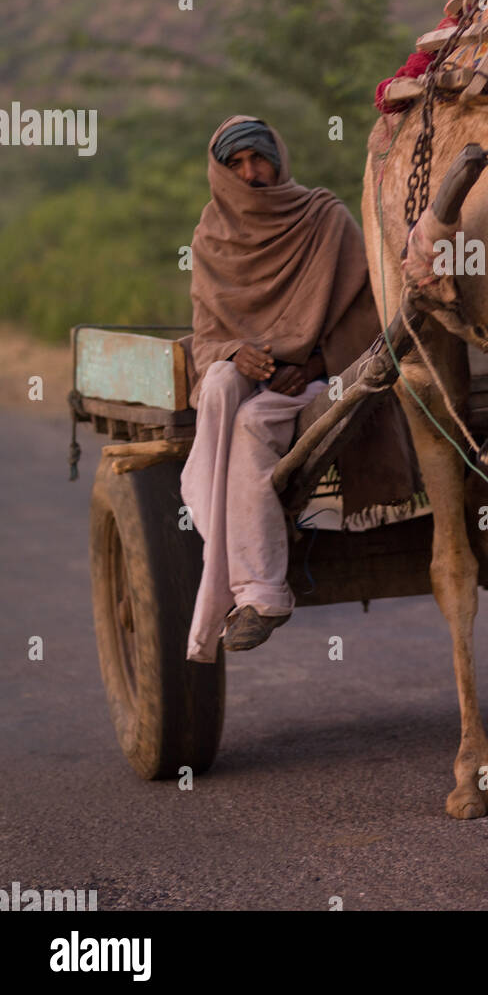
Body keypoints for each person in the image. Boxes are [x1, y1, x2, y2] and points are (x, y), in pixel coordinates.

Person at [181, 115, 417, 661]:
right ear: (219, 174)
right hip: (247, 383)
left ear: (278, 158)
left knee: (250, 424)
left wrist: (312, 363)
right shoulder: (210, 236)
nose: (251, 172)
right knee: (218, 381)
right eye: (236, 164)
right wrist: (236, 353)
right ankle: (244, 568)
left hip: (322, 384)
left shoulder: (324, 218)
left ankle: (261, 593)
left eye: (259, 158)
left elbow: (369, 316)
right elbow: (208, 338)